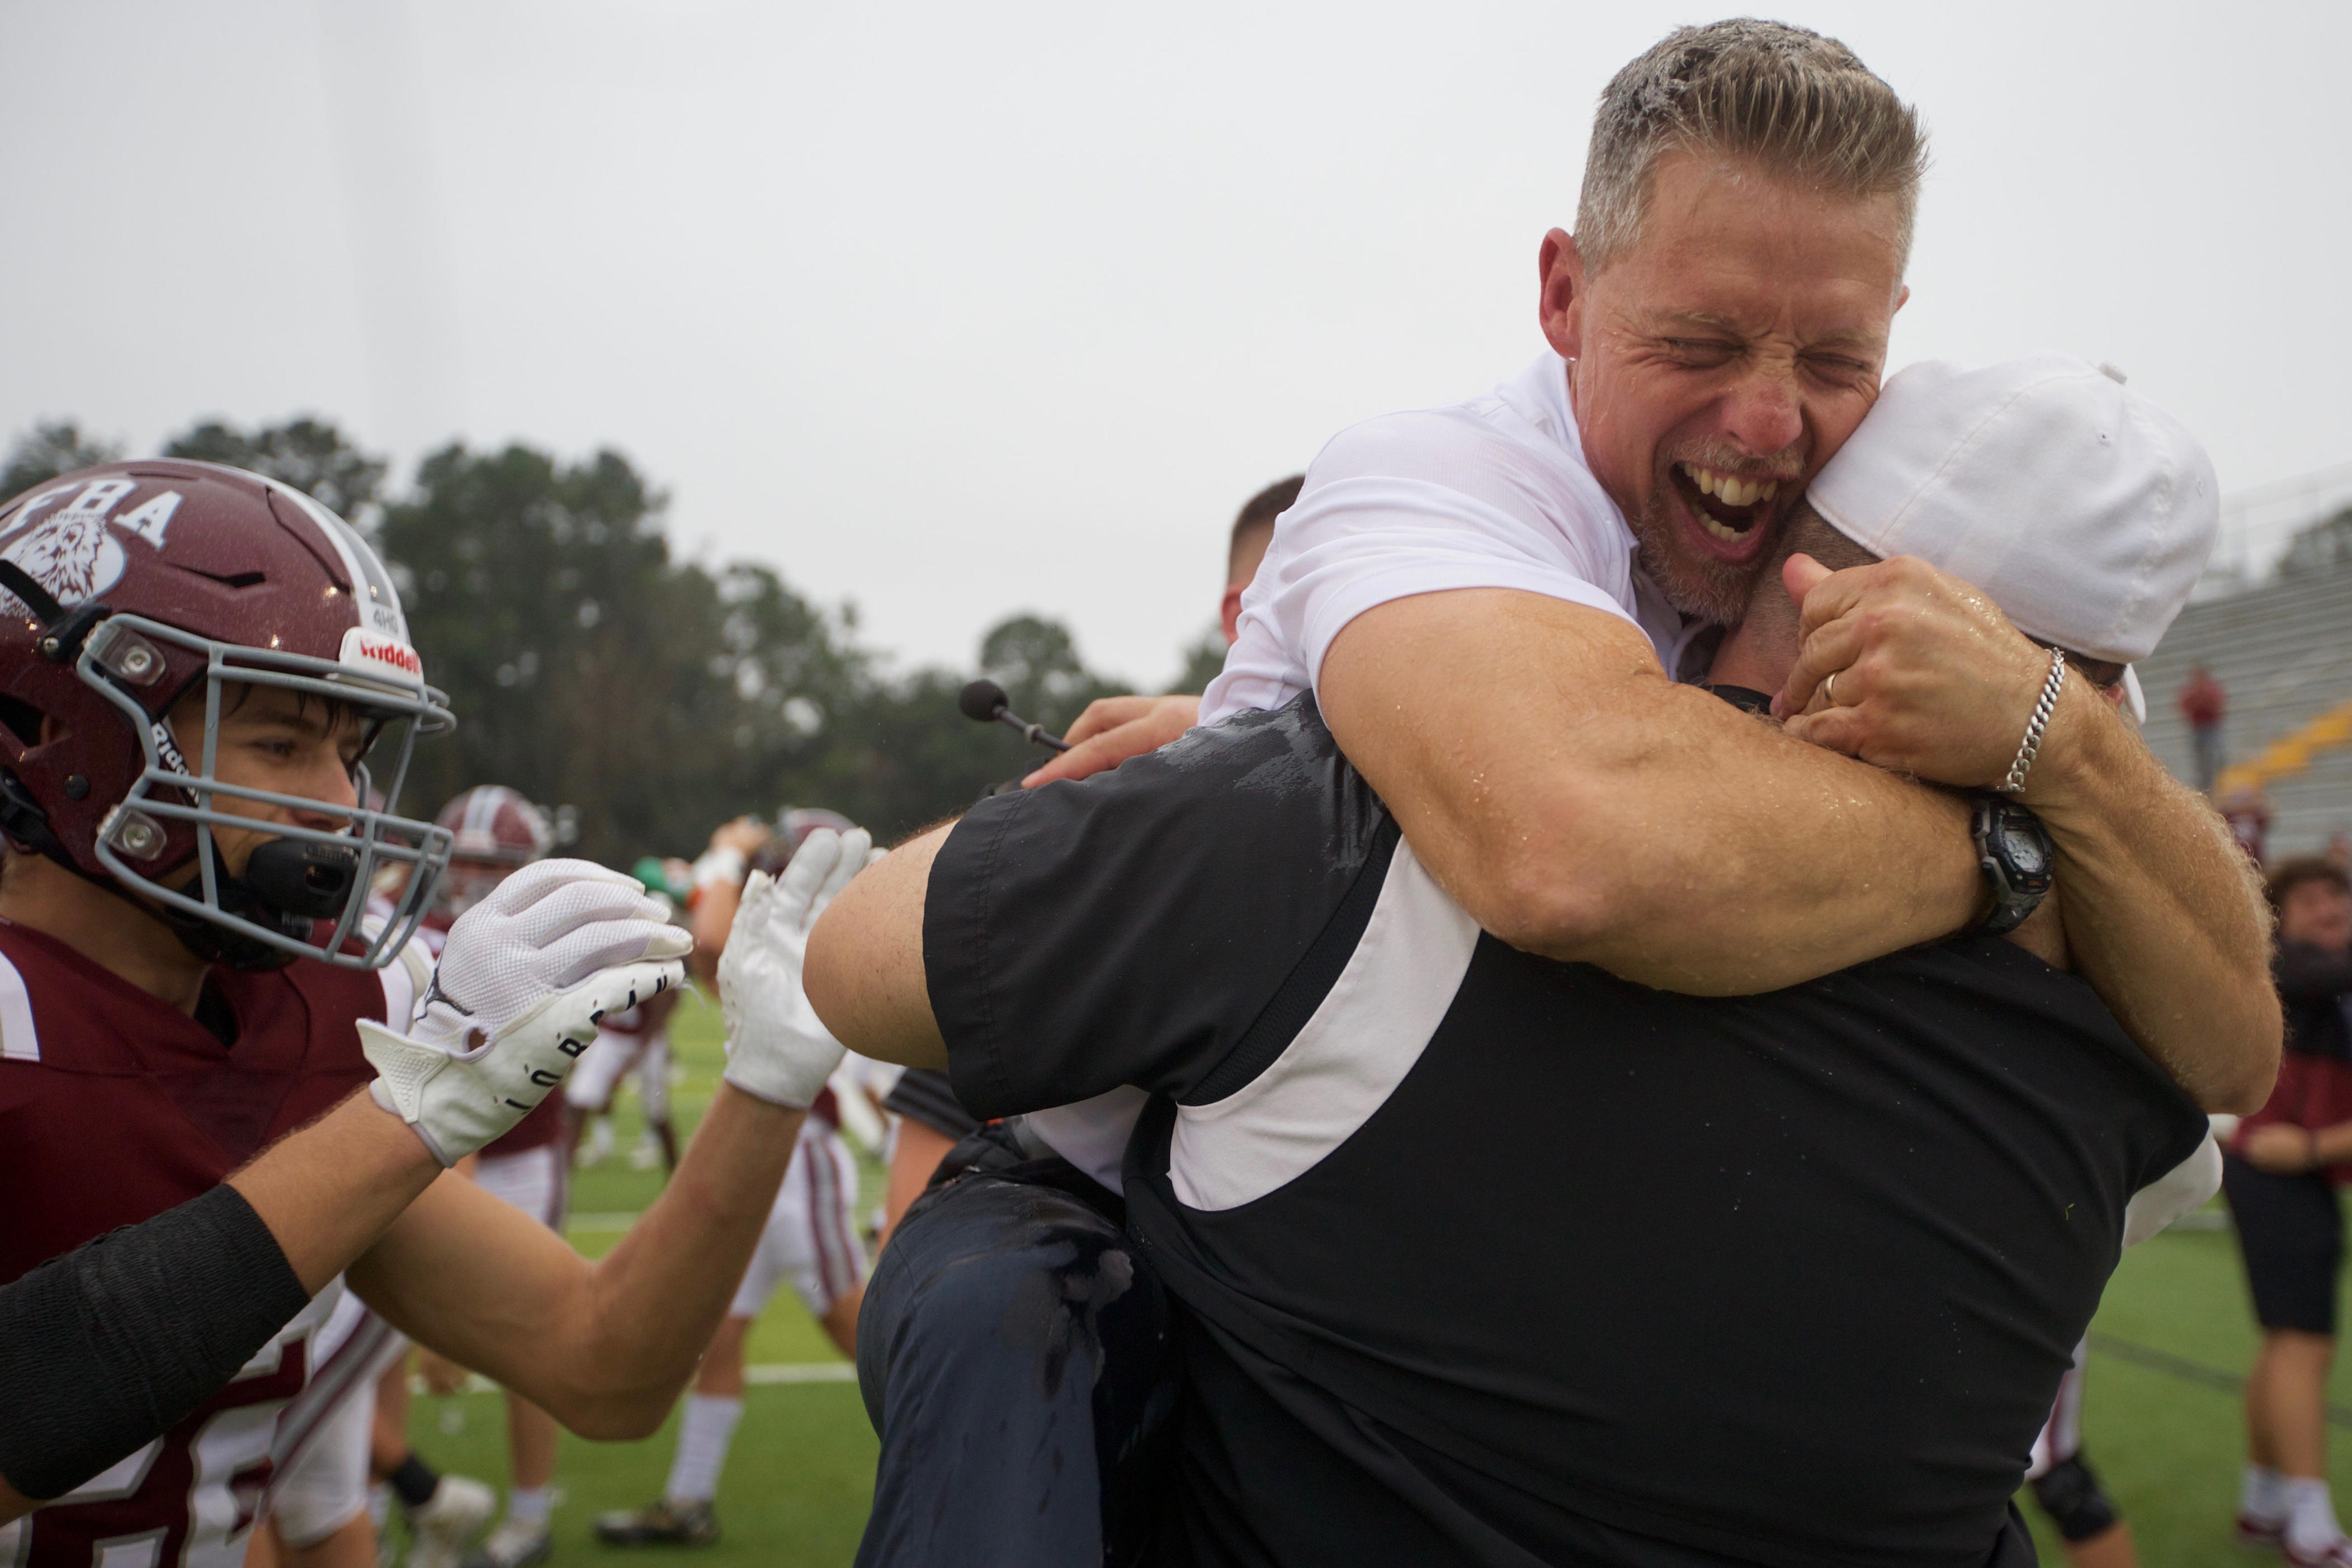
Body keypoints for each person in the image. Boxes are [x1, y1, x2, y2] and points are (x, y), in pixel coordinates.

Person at [806, 352, 2236, 1566]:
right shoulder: (2135, 1084)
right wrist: (2018, 827)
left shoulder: (1359, 851)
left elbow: (863, 954)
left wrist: (1288, 744)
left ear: (1824, 595)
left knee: (1002, 1300)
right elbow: (2217, 1019)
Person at [1031, 20, 2274, 1117]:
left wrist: (2060, 746)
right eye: (1702, 340)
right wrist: (2025, 843)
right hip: (1146, 1211)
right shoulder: (1429, 480)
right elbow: (1578, 852)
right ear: (1566, 295)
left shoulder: (1890, 518)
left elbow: (2232, 1049)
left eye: (1838, 359)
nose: (1771, 423)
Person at [0, 460, 854, 1567]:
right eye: (278, 742)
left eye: (351, 753)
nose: (341, 804)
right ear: (67, 733)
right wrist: (406, 1114)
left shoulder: (311, 1009)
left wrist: (768, 1081)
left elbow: (602, 1366)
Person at [2226, 857, 2352, 1565]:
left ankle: (2265, 1496)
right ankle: (2309, 1521)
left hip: (2287, 1170)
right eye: (2308, 898)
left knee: (2285, 1345)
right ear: (2278, 915)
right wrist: (2310, 1147)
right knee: (2304, 1346)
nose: (2329, 908)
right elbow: (2317, 970)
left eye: (2337, 894)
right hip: (2277, 1169)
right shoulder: (2285, 961)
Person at [2181, 663, 2229, 793]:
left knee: (2215, 756)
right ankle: (2206, 786)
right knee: (2202, 761)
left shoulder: (2212, 689)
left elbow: (2218, 705)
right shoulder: (2191, 691)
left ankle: (2217, 783)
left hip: (2211, 728)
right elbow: (2184, 705)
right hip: (2199, 729)